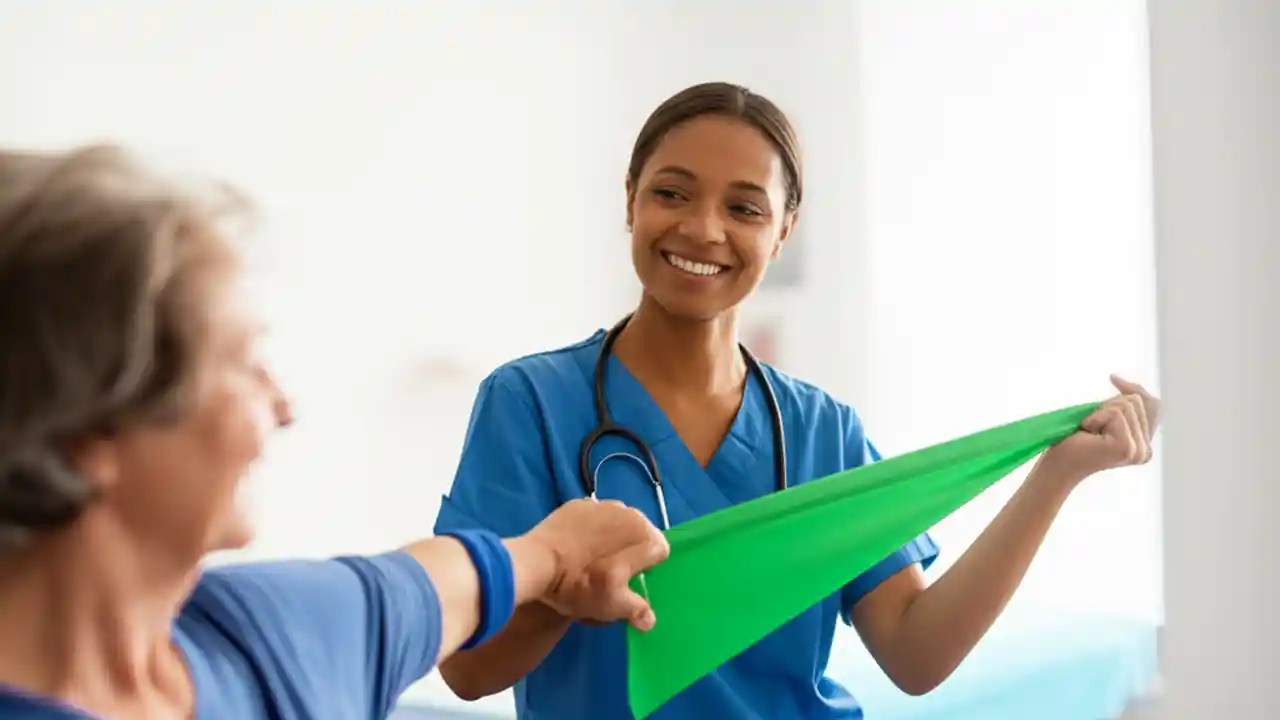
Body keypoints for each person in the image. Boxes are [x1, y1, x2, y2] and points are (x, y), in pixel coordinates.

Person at [432, 81, 1162, 719]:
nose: (702, 228)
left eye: (745, 208)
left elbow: (916, 653)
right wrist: (563, 598)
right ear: (630, 202)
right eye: (671, 193)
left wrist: (1056, 476)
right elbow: (466, 671)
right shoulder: (531, 403)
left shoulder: (823, 433)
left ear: (782, 232)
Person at [0, 145, 669, 720]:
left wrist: (553, 555)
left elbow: (444, 580)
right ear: (87, 432)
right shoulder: (272, 639)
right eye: (240, 362)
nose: (283, 406)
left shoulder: (267, 634)